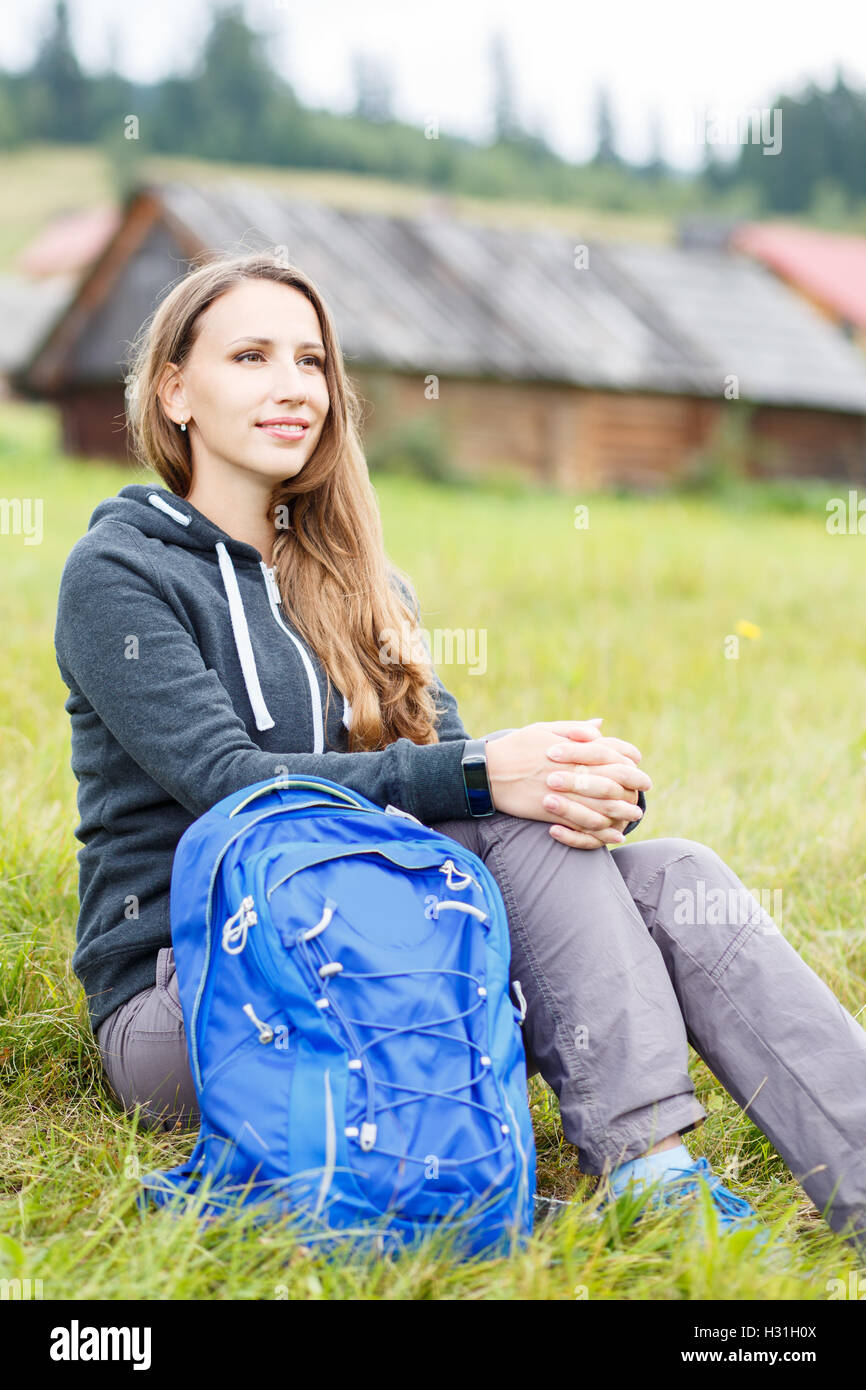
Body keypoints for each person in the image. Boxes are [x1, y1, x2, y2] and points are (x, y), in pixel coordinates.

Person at [54, 252, 866, 1254]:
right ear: (175, 390)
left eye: (310, 360)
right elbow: (229, 787)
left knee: (671, 875)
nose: (291, 385)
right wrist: (491, 774)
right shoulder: (117, 575)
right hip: (202, 1006)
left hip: (387, 960)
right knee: (498, 811)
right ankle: (648, 1167)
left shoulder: (358, 577)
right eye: (251, 355)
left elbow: (441, 772)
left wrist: (573, 785)